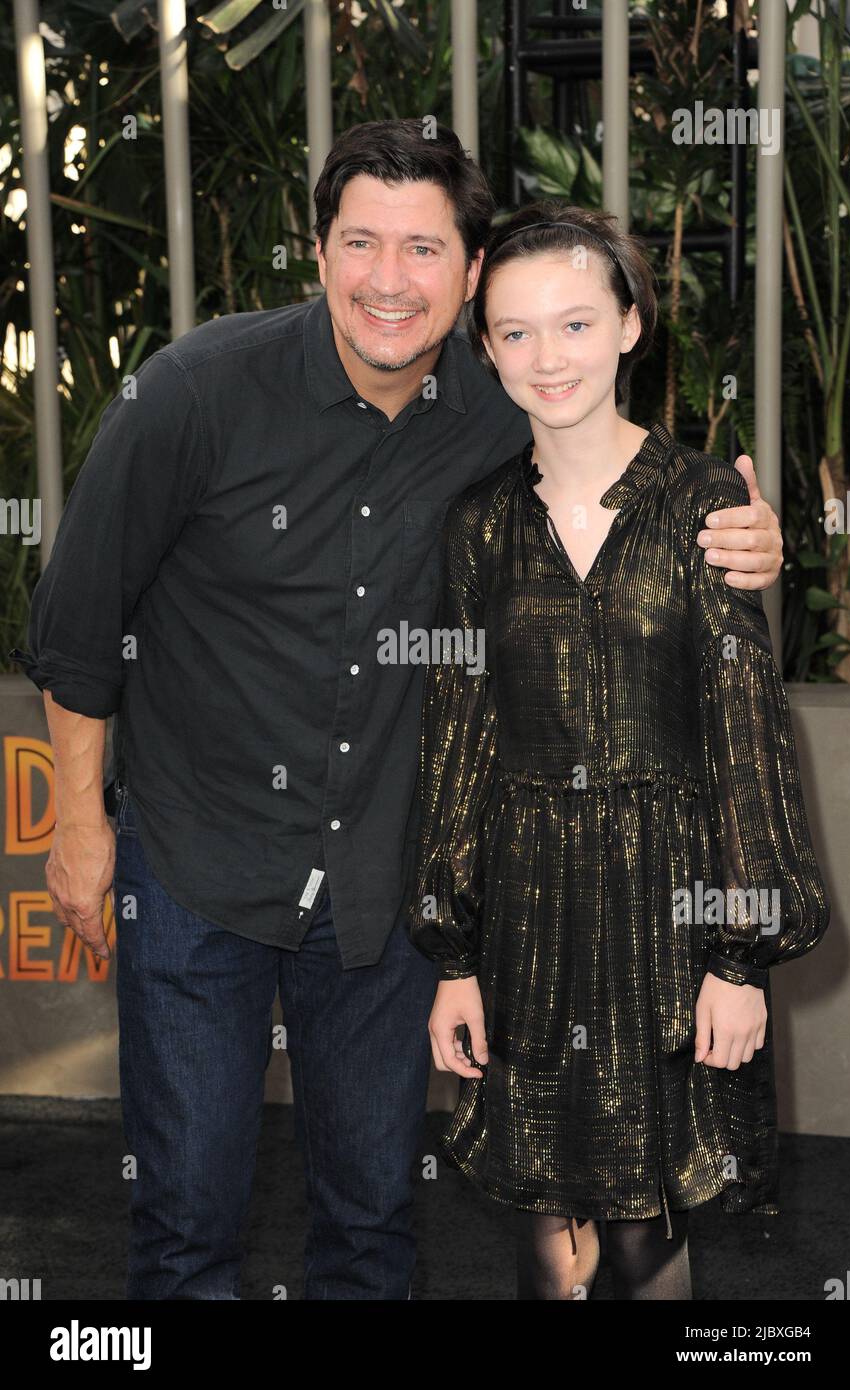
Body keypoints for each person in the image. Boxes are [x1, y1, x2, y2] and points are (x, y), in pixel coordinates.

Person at [9, 122, 784, 1302]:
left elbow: (618, 486)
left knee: (372, 1227)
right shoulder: (194, 391)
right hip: (195, 869)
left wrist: (740, 534)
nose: (388, 278)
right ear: (316, 253)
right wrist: (77, 825)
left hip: (381, 891)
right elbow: (75, 627)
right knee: (183, 1226)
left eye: (423, 248)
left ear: (469, 272)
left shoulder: (499, 402)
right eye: (359, 241)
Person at [406, 201, 830, 1301]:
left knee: (647, 1236)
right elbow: (460, 733)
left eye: (577, 323)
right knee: (548, 1233)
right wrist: (454, 952)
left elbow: (747, 733)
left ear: (631, 325)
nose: (549, 358)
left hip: (669, 913)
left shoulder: (707, 505)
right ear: (485, 345)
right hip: (529, 916)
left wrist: (739, 958)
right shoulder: (479, 525)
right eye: (516, 331)